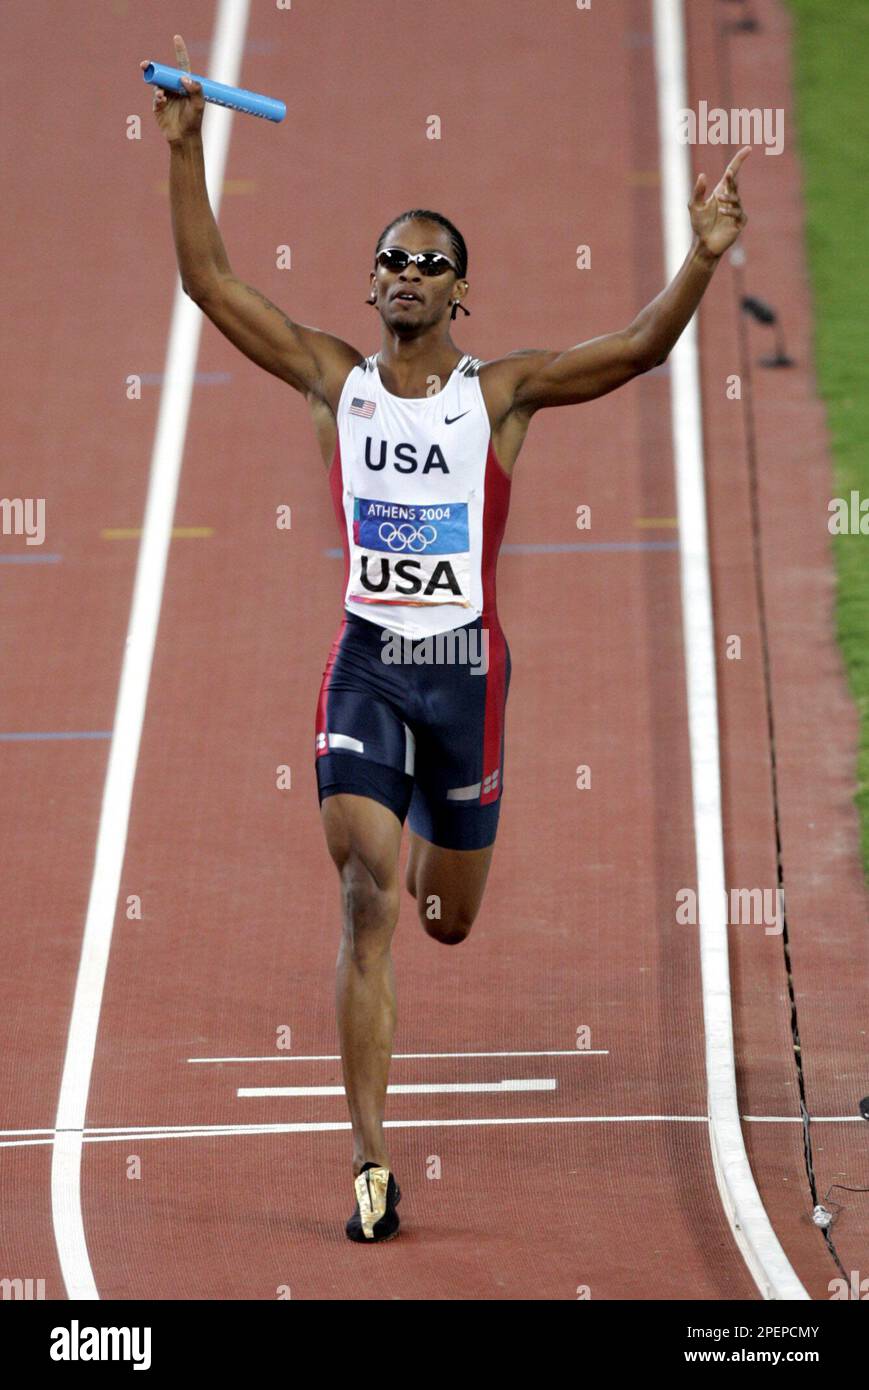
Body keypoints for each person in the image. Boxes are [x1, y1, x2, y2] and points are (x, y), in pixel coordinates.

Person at [145, 34, 750, 1243]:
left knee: (443, 917)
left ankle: (438, 835)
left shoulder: (502, 393)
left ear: (458, 293)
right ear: (370, 285)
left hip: (465, 674)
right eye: (390, 262)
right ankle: (371, 1162)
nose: (407, 275)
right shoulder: (333, 380)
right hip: (369, 658)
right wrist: (184, 149)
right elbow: (213, 287)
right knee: (366, 897)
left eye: (430, 264)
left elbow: (633, 351)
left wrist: (697, 258)